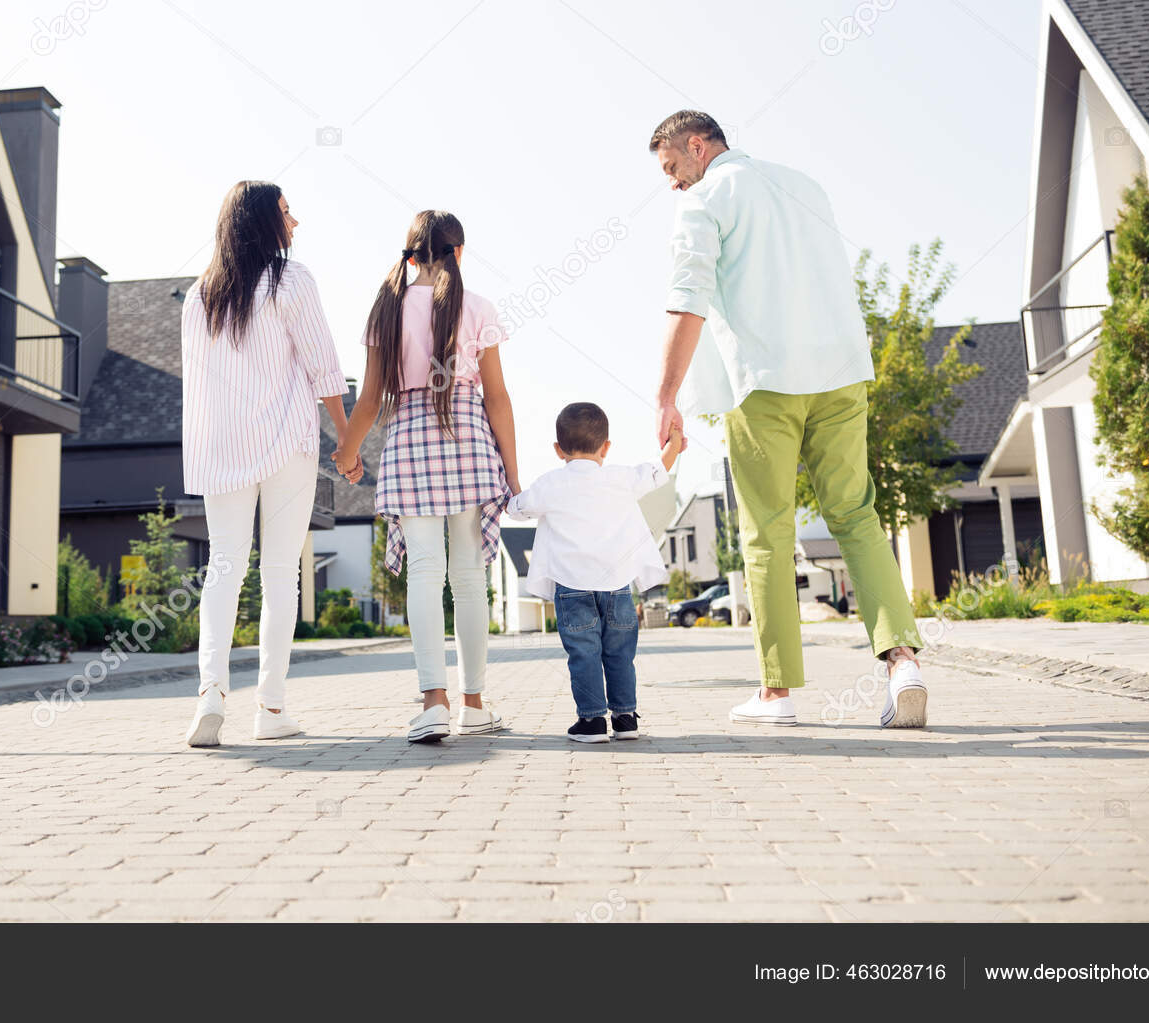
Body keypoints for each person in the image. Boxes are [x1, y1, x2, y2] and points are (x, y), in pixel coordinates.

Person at [648, 110, 929, 729]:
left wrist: (668, 397)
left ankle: (777, 694)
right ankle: (902, 663)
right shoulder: (806, 185)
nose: (673, 183)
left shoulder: (703, 202)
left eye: (672, 168)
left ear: (697, 148)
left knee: (767, 531)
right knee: (856, 514)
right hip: (842, 372)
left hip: (765, 382)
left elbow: (686, 298)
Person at [336, 211, 518, 744]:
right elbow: (498, 398)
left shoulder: (386, 309)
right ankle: (475, 705)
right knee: (468, 579)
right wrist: (513, 472)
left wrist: (345, 454)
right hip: (470, 438)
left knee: (424, 574)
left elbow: (369, 400)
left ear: (410, 254)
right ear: (458, 252)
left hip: (411, 439)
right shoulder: (477, 307)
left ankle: (432, 701)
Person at [181, 181, 350, 747]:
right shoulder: (290, 279)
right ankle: (270, 709)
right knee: (280, 574)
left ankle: (210, 694)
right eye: (285, 212)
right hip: (284, 443)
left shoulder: (198, 295)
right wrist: (347, 439)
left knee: (224, 566)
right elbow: (324, 365)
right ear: (261, 220)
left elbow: (196, 389)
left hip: (222, 448)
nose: (295, 222)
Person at [506, 403, 683, 743]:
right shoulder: (621, 478)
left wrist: (511, 485)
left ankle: (592, 722)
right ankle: (626, 716)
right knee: (620, 652)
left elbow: (517, 509)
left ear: (559, 450)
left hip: (572, 588)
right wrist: (674, 440)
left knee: (583, 652)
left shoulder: (551, 483)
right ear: (606, 447)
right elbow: (659, 468)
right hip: (617, 586)